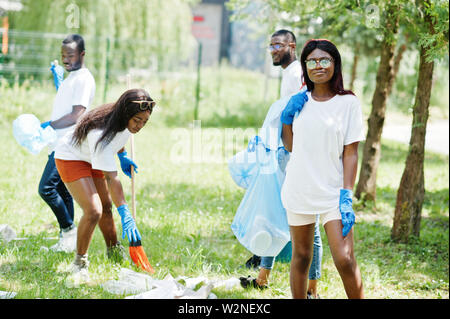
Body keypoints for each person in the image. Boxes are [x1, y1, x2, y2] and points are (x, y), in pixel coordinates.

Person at [241, 30, 323, 298]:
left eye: (278, 45)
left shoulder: (298, 72)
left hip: (297, 154)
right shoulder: (288, 74)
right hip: (282, 152)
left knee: (308, 217)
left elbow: (303, 113)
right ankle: (263, 277)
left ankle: (312, 289)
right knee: (274, 211)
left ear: (292, 46)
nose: (274, 50)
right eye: (271, 46)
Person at [280, 39, 365, 298]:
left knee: (345, 259)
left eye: (324, 60)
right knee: (302, 256)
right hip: (300, 187)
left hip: (333, 192)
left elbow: (351, 152)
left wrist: (346, 195)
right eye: (312, 61)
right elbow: (291, 145)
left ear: (335, 64)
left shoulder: (348, 103)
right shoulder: (299, 101)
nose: (318, 66)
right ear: (305, 66)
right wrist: (286, 119)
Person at [53, 88, 154, 279]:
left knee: (106, 207)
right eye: (137, 120)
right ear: (126, 114)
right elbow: (111, 178)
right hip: (71, 157)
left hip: (94, 156)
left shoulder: (124, 122)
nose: (140, 126)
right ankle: (80, 262)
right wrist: (125, 213)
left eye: (145, 121)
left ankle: (114, 250)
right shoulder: (100, 133)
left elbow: (119, 137)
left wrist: (122, 155)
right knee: (94, 211)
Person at [38, 34, 95, 253]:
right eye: (63, 55)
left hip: (68, 142)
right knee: (61, 188)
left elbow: (77, 115)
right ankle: (68, 239)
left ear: (82, 54)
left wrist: (49, 125)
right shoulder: (73, 77)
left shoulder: (83, 79)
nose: (65, 60)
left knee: (46, 188)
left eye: (70, 55)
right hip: (60, 142)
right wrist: (59, 82)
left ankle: (69, 229)